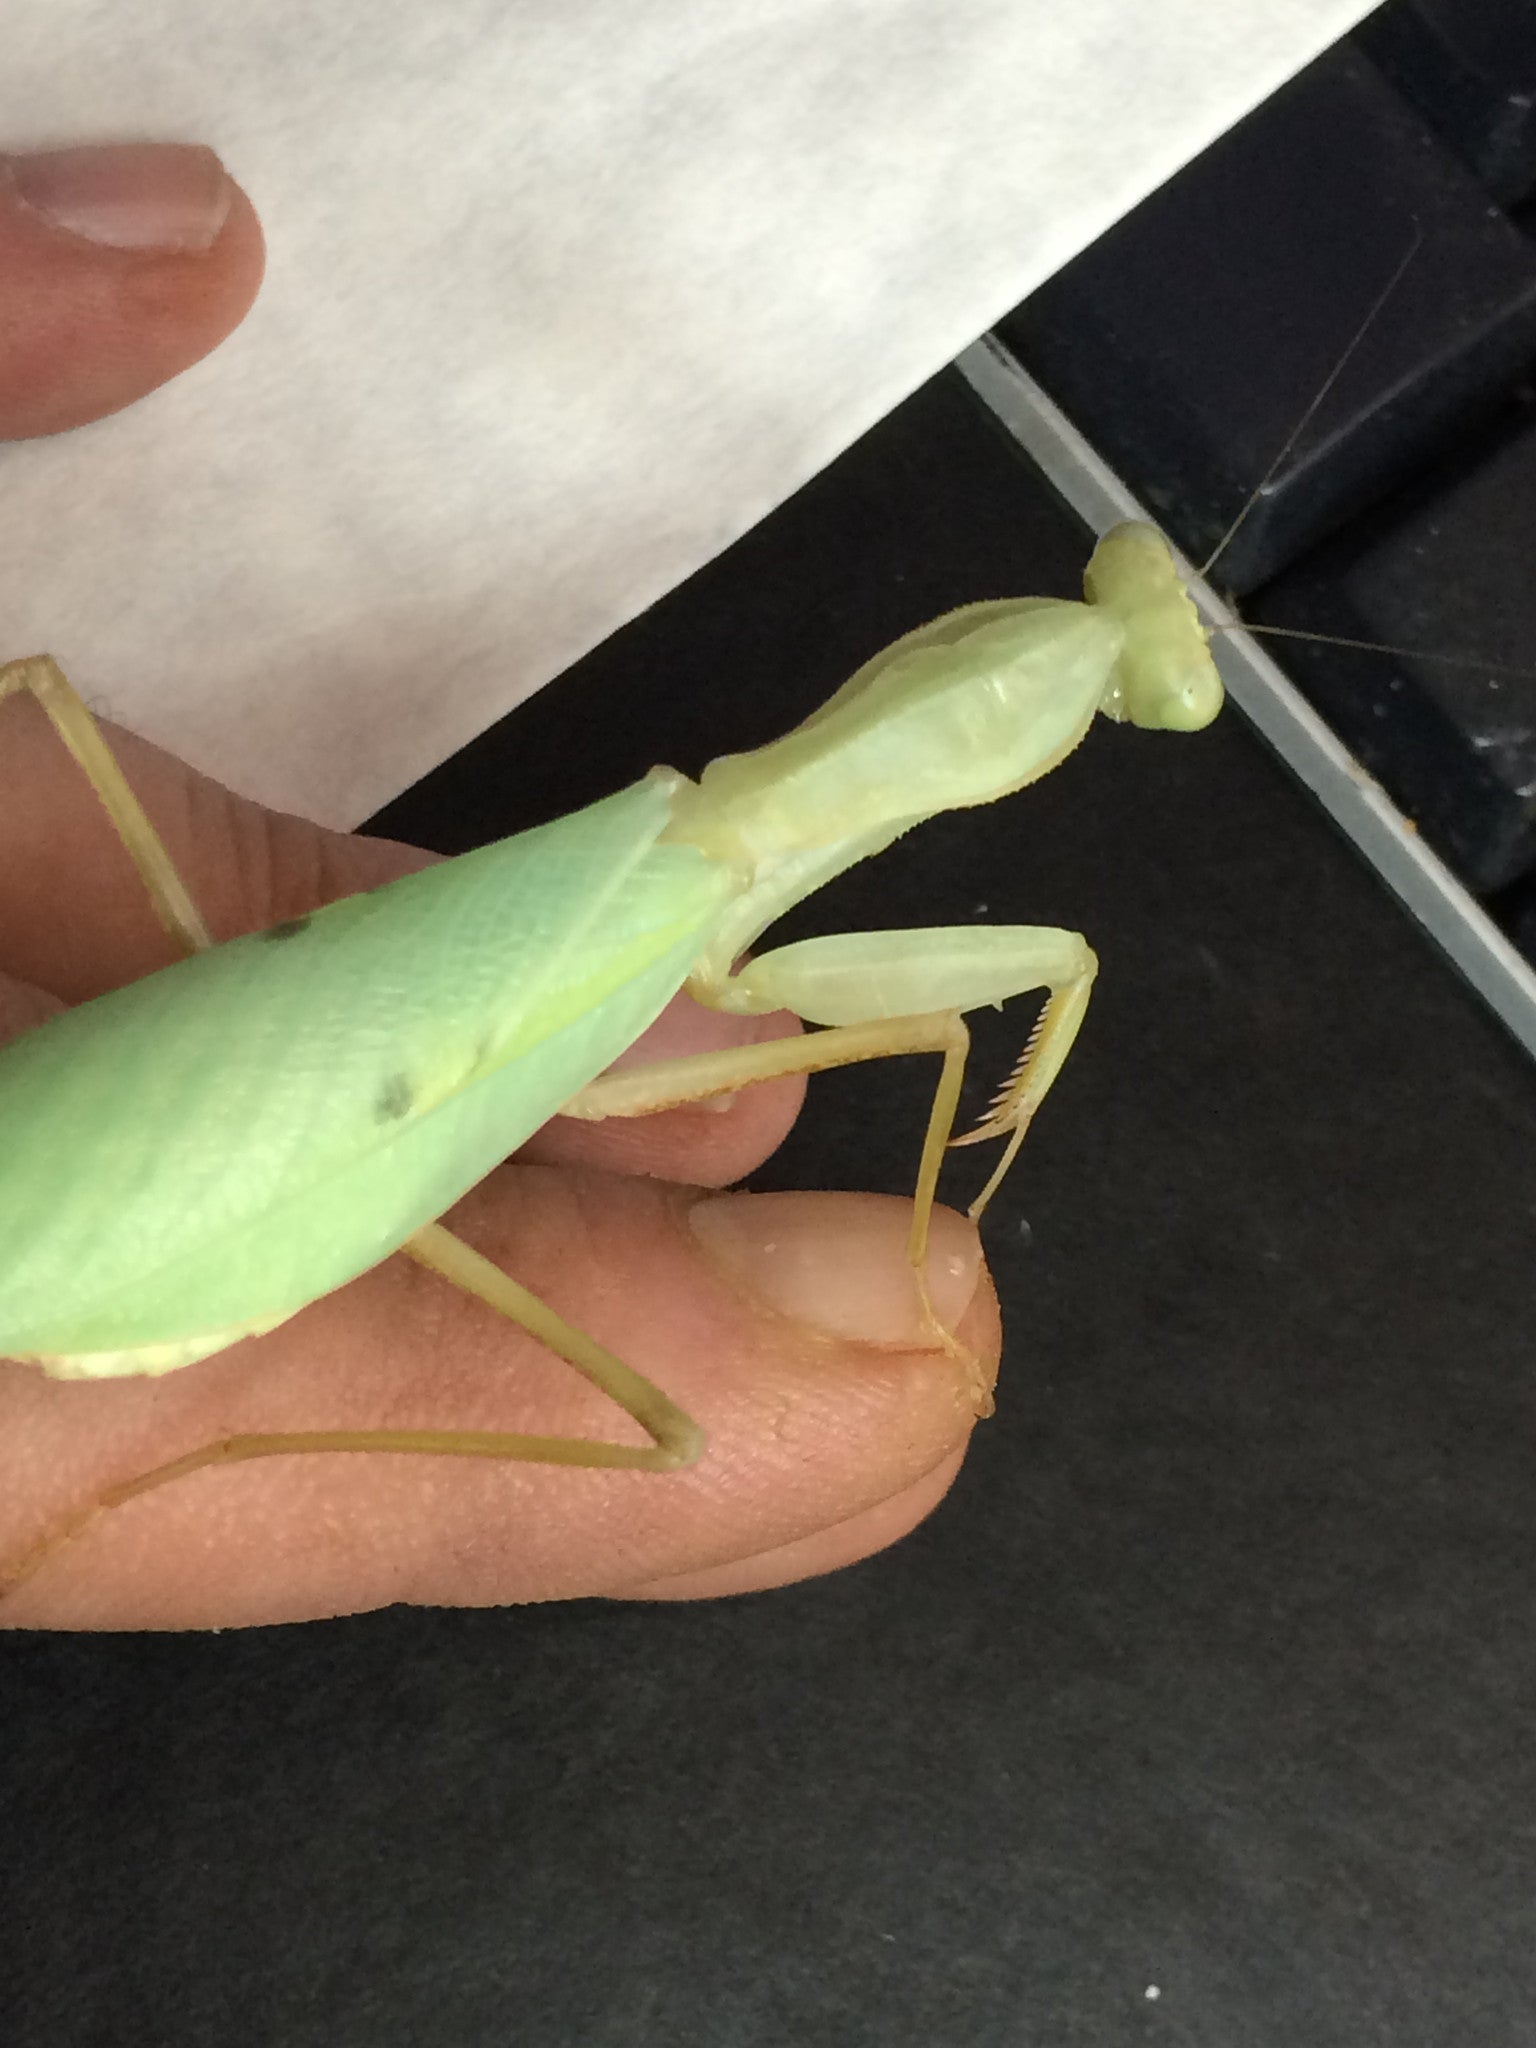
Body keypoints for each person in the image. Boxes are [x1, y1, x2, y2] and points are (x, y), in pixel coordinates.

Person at [0, 142, 997, 1630]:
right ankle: (181, 1460)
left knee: (40, 704)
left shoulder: (675, 836)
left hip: (147, 1137)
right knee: (672, 1423)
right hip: (135, 1254)